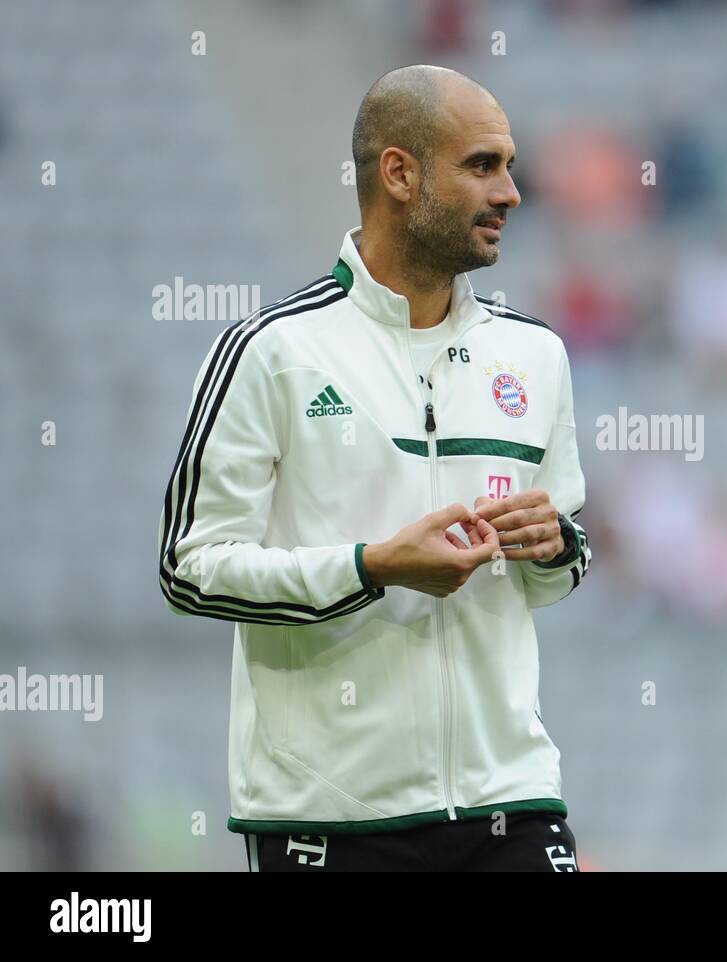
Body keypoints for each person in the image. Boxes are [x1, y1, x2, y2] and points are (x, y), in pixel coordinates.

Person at [158, 65, 591, 872]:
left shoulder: (536, 355)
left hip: (514, 804)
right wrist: (374, 567)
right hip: (333, 819)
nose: (512, 193)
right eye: (482, 165)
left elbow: (558, 572)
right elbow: (189, 572)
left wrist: (557, 545)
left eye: (510, 166)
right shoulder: (271, 353)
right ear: (399, 173)